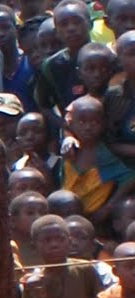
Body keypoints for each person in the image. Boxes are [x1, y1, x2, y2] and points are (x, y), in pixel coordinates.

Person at [59, 95, 135, 227]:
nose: (88, 127)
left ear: (103, 124)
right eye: (82, 122)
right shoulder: (70, 148)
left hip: (93, 220)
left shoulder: (103, 154)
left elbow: (129, 178)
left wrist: (107, 208)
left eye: (94, 122)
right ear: (71, 124)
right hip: (64, 215)